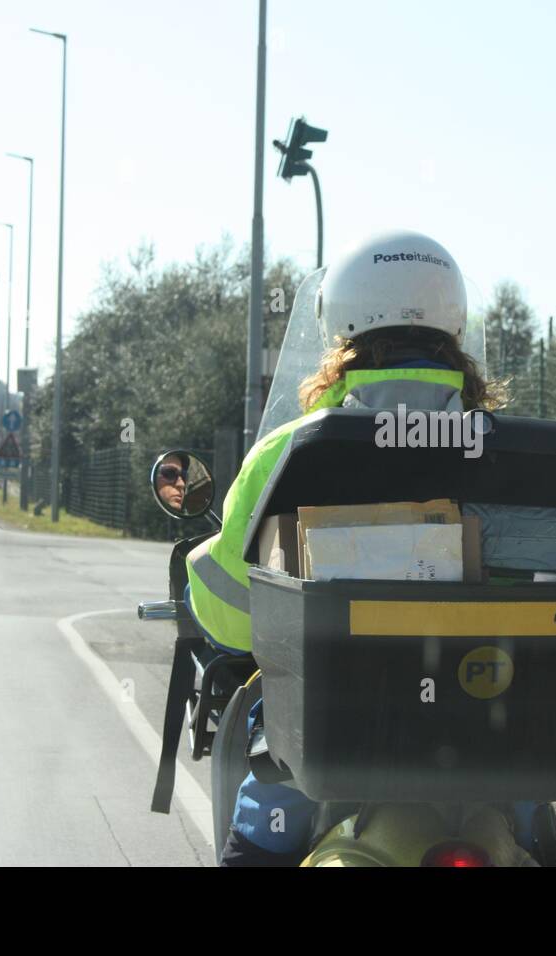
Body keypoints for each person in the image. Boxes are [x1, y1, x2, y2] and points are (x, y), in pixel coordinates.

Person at [184, 230, 511, 865]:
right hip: (491, 734)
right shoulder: (515, 452)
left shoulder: (292, 452)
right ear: (455, 328)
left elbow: (232, 618)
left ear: (341, 332)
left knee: (261, 838)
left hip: (332, 738)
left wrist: (201, 574)